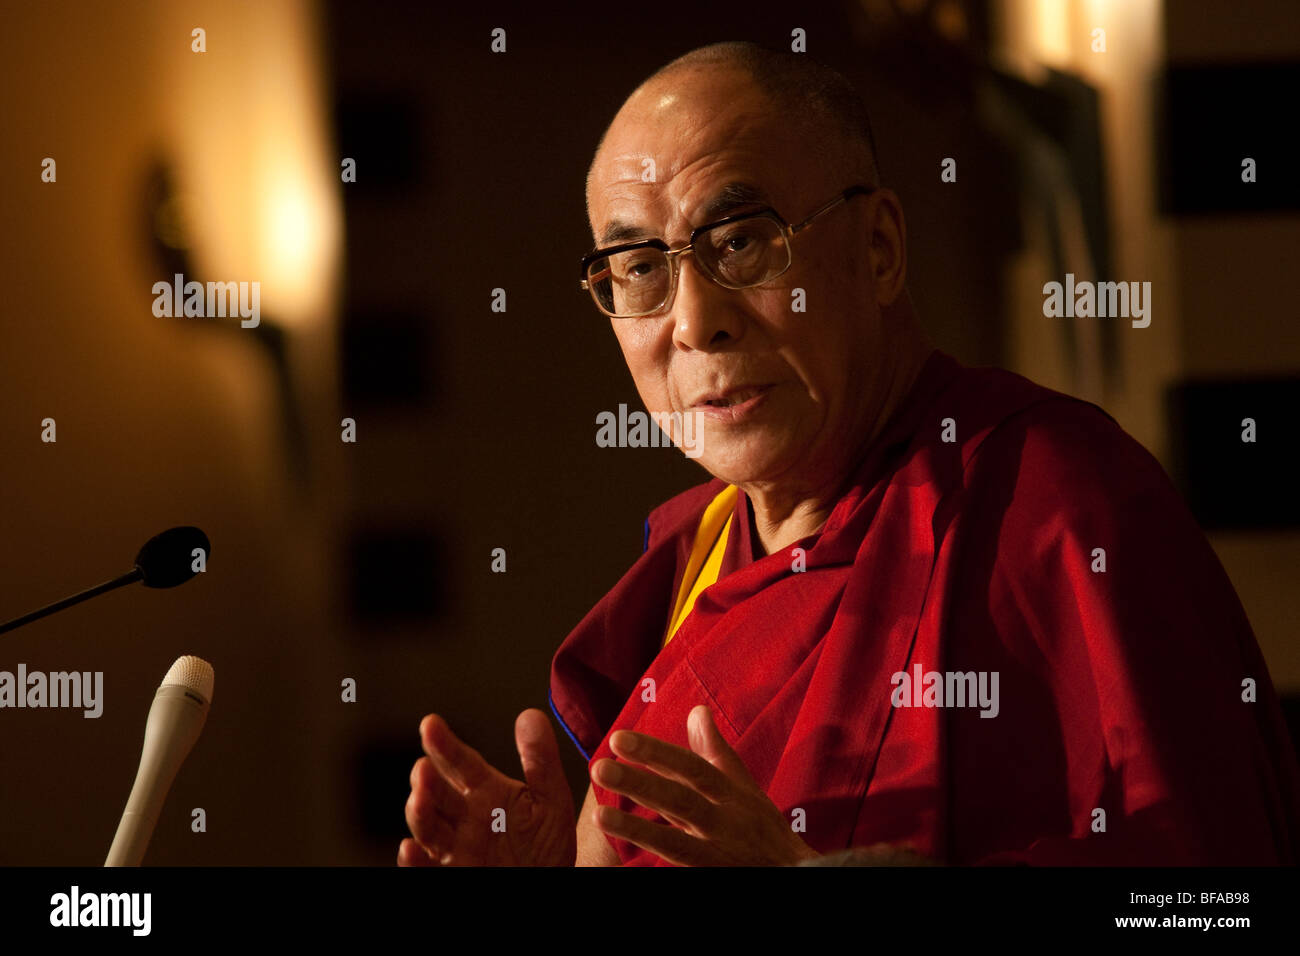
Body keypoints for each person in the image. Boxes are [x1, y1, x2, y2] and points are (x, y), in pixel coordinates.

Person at [399, 41, 1300, 867]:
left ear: (879, 249)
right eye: (638, 266)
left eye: (741, 241)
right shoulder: (694, 558)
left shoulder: (1057, 500)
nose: (693, 320)